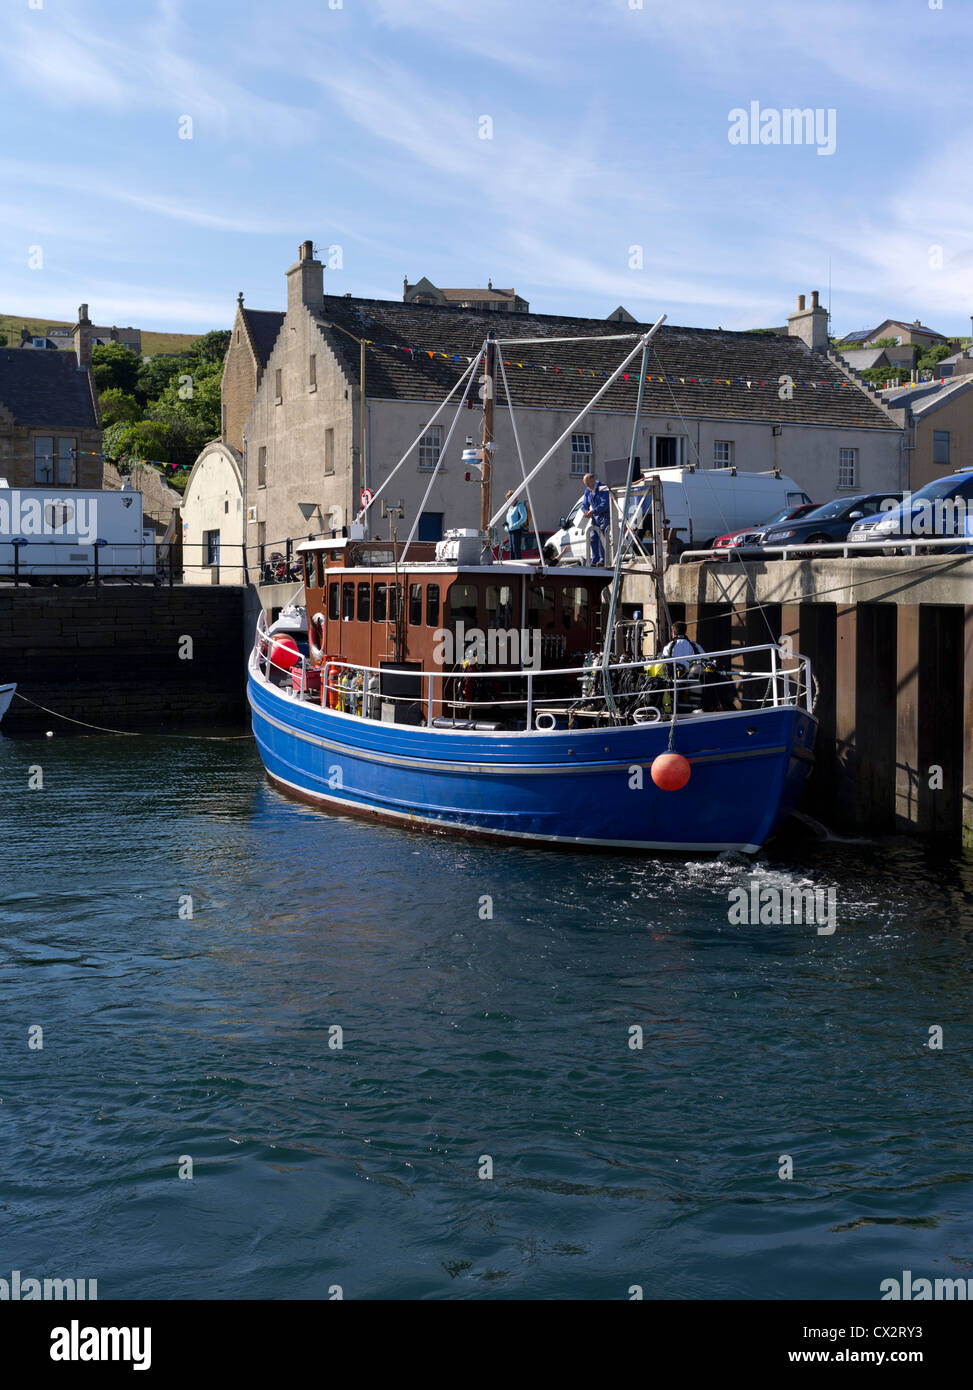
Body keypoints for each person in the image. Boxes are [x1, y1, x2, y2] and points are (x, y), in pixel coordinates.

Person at [582, 472, 611, 565]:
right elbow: (584, 504)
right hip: (595, 518)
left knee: (603, 536)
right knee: (593, 537)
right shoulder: (587, 490)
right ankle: (595, 559)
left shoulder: (603, 487)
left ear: (593, 480)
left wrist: (593, 511)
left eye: (588, 483)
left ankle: (603, 560)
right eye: (585, 484)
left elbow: (605, 504)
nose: (587, 486)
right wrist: (586, 511)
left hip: (605, 516)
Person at [504, 490, 527, 559]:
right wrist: (506, 526)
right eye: (507, 499)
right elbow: (508, 520)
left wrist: (515, 525)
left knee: (516, 548)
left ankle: (519, 568)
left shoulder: (519, 505)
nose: (508, 501)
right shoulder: (510, 508)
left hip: (517, 530)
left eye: (509, 499)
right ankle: (512, 566)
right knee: (511, 549)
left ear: (514, 498)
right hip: (510, 531)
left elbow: (524, 518)